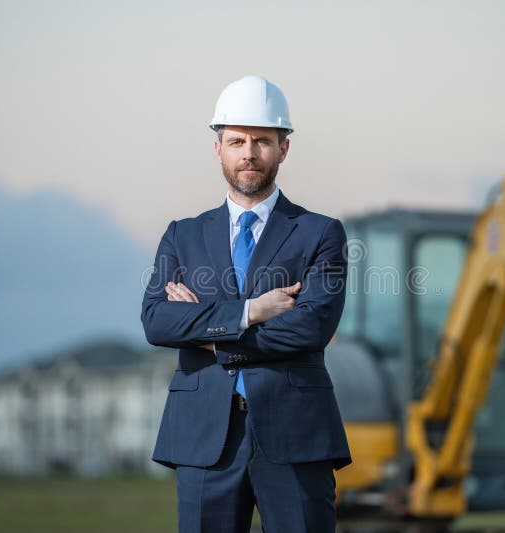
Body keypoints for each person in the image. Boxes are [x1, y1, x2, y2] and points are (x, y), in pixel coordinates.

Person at [141, 75, 352, 533]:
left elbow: (311, 327)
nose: (249, 153)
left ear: (284, 148)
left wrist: (210, 336)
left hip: (297, 435)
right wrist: (249, 312)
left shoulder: (321, 234)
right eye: (236, 141)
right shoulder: (182, 235)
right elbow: (158, 321)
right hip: (204, 438)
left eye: (262, 141)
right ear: (218, 148)